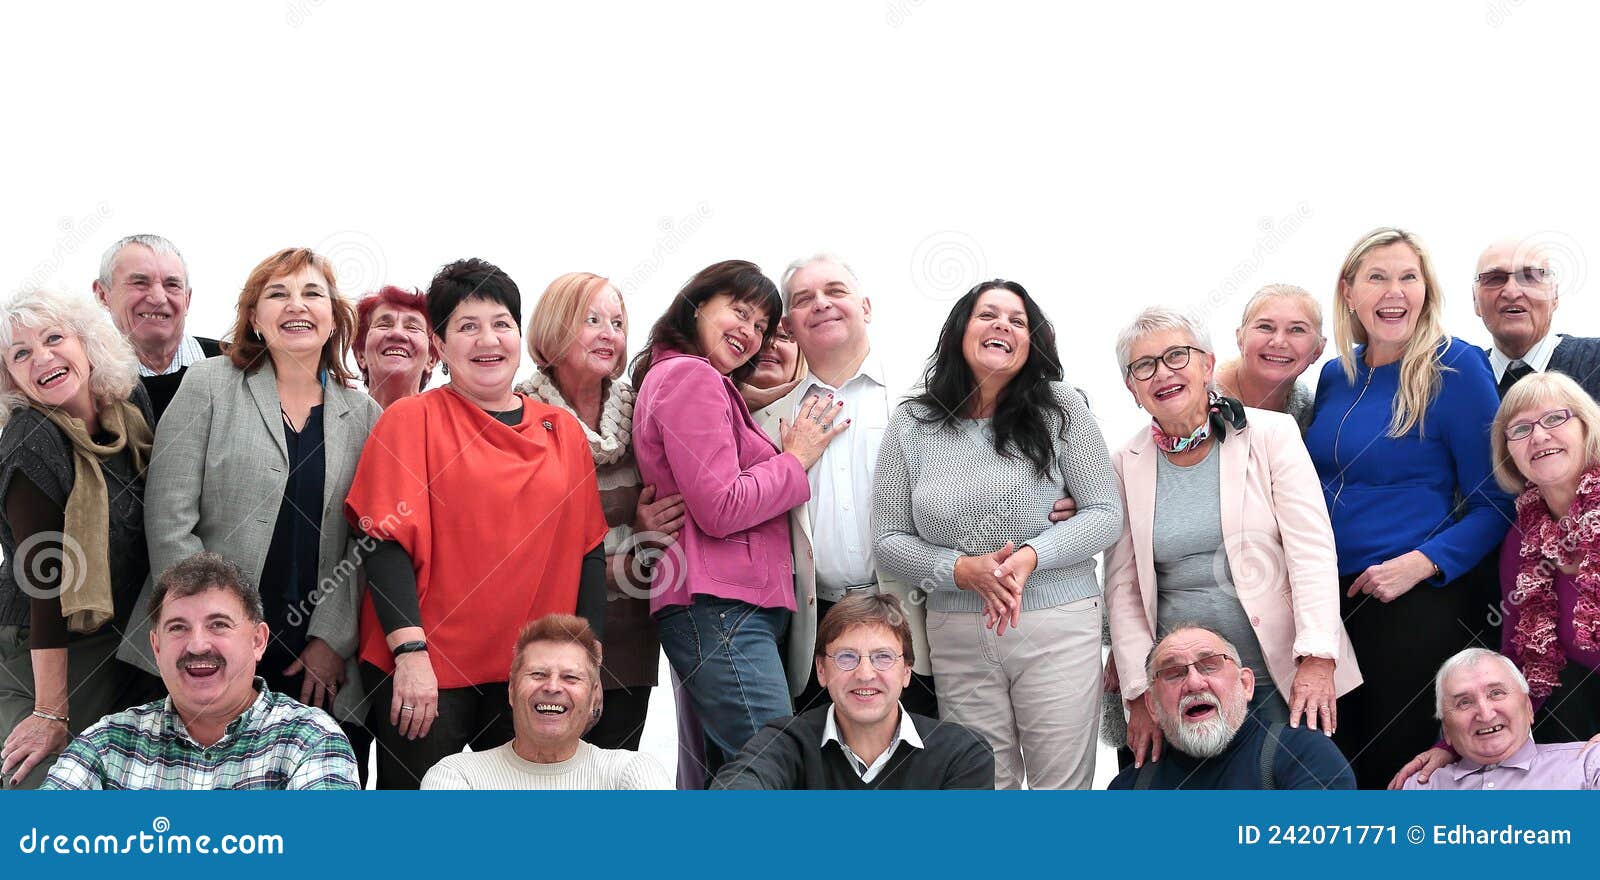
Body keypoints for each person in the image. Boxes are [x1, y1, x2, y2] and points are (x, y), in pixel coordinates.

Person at [344, 258, 608, 789]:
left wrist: (588, 664)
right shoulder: (410, 420)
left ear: (518, 334)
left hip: (530, 675)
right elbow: (382, 544)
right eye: (467, 326)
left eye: (501, 324)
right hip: (428, 670)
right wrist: (410, 655)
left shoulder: (563, 431)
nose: (488, 340)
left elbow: (589, 554)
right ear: (439, 345)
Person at [118, 246, 380, 779]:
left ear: (334, 317)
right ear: (255, 318)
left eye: (312, 293)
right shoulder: (208, 384)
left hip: (311, 659)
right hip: (200, 647)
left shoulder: (365, 414)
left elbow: (367, 540)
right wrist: (212, 631)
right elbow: (168, 519)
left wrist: (332, 640)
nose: (296, 305)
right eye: (278, 294)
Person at [874, 279, 1123, 789]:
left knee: (1061, 794)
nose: (1002, 326)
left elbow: (1104, 514)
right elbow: (889, 539)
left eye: (1017, 320)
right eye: (988, 315)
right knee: (983, 790)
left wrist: (1031, 555)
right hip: (956, 633)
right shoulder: (912, 422)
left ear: (1031, 342)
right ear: (961, 330)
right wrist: (960, 570)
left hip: (1056, 622)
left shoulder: (1062, 408)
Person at [1104, 307, 1360, 772]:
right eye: (1144, 366)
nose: (1163, 373)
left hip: (1282, 672)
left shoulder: (1271, 434)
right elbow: (1123, 589)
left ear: (1207, 364)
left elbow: (1312, 552)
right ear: (1132, 388)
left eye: (1177, 356)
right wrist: (1140, 694)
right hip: (1181, 691)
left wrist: (1318, 657)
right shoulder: (1124, 462)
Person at [1305, 227, 1514, 789]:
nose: (1394, 291)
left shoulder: (1456, 367)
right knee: (1334, 768)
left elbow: (1498, 502)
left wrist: (1420, 564)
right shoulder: (1336, 375)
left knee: (1396, 771)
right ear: (1349, 292)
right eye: (1377, 277)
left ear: (1426, 290)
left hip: (1410, 602)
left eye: (1408, 277)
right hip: (1329, 605)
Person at [630, 259, 844, 770]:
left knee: (739, 772)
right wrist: (795, 460)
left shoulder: (695, 380)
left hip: (728, 607)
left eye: (761, 326)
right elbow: (720, 506)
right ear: (697, 306)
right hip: (720, 607)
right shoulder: (692, 376)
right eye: (740, 312)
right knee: (776, 768)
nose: (750, 333)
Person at [1391, 372, 1600, 786]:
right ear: (1508, 453)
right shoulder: (1521, 539)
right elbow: (1519, 659)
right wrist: (1449, 745)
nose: (1539, 436)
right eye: (1520, 429)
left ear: (1586, 426)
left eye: (1555, 418)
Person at [516, 271, 682, 752]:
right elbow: (521, 542)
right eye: (591, 320)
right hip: (545, 640)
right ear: (554, 327)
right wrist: (626, 555)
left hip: (629, 636)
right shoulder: (517, 415)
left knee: (611, 772)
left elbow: (665, 520)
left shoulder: (644, 410)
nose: (609, 334)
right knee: (542, 774)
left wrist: (643, 538)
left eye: (617, 323)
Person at [0, 287, 156, 789]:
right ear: (9, 377)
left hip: (122, 636)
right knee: (45, 789)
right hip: (43, 642)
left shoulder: (130, 409)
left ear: (87, 342)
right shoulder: (31, 439)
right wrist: (50, 712)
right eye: (20, 354)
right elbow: (43, 581)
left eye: (53, 338)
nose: (42, 358)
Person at [42, 552, 358, 790]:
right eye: (178, 627)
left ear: (258, 641)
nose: (196, 645)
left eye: (218, 624)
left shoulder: (310, 739)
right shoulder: (107, 743)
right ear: (156, 647)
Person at [713, 593, 994, 789]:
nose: (865, 674)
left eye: (883, 657)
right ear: (821, 670)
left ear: (906, 671)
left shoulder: (962, 753)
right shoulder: (785, 742)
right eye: (846, 657)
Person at [421, 615, 670, 789]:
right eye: (538, 674)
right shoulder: (457, 776)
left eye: (571, 677)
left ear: (594, 695)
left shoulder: (631, 772)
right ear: (511, 690)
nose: (552, 687)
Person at [1108, 626, 1356, 789]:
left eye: (1209, 665)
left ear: (1246, 684)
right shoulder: (1128, 788)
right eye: (1173, 673)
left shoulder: (1304, 756)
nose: (1194, 683)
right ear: (1152, 705)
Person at [1400, 649, 1599, 790]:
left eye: (1496, 693)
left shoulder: (1588, 765)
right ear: (1447, 730)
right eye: (1464, 703)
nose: (1486, 714)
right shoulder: (1419, 788)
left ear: (1529, 707)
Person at [91, 235, 222, 422]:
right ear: (103, 295)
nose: (159, 298)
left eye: (172, 285)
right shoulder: (84, 380)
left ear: (187, 299)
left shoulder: (241, 366)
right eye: (140, 283)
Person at [1472, 235, 1600, 399]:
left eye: (1530, 277)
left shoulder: (1595, 362)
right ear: (1475, 300)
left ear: (1554, 294)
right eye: (1495, 278)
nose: (1512, 292)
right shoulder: (1457, 381)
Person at [1212, 284, 1326, 429]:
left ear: (1318, 349)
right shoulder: (1200, 402)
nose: (1278, 342)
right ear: (1240, 338)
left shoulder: (1310, 413)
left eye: (1297, 329)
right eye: (1265, 327)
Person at [353, 285, 439, 410]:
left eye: (412, 327)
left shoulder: (450, 421)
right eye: (384, 325)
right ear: (361, 355)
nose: (397, 333)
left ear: (431, 360)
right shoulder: (330, 416)